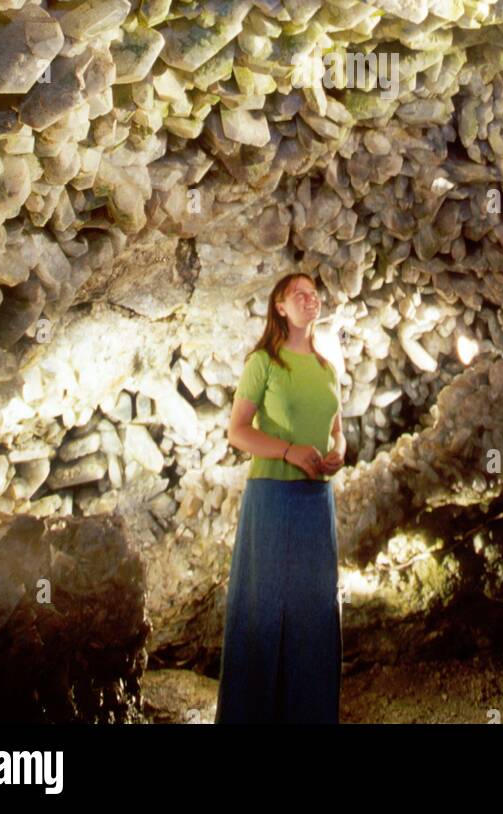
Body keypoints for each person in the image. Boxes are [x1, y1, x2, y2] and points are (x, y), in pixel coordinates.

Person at [214, 271, 346, 724]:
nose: (310, 299)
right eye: (299, 294)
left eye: (314, 294)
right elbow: (237, 432)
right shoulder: (263, 363)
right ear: (280, 308)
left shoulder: (328, 369)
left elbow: (337, 432)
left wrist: (338, 456)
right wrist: (289, 451)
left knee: (314, 610)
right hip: (271, 497)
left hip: (315, 502)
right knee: (263, 608)